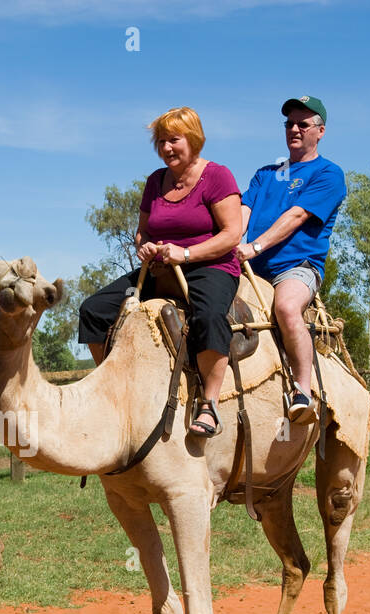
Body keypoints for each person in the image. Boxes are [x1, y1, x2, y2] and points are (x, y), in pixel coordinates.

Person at [77, 107, 242, 436]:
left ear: (193, 139)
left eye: (174, 140)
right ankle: (116, 389)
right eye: (161, 141)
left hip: (210, 267)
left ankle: (209, 405)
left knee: (208, 317)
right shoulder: (155, 181)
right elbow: (143, 231)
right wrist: (146, 247)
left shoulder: (218, 176)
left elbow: (232, 234)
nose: (167, 148)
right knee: (93, 311)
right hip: (158, 270)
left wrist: (186, 253)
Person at [236, 95, 347, 424]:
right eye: (289, 124)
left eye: (303, 124)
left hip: (297, 268)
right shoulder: (265, 175)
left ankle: (303, 390)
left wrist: (253, 247)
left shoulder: (328, 173)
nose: (294, 129)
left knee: (285, 307)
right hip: (251, 271)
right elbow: (242, 214)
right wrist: (228, 245)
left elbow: (297, 216)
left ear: (320, 131)